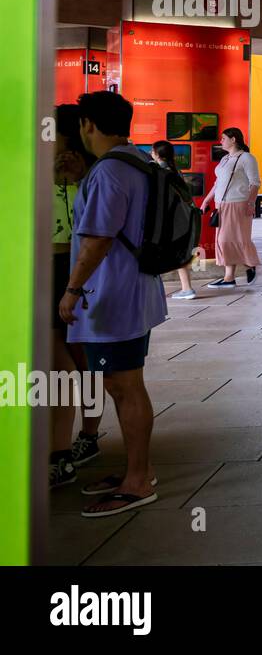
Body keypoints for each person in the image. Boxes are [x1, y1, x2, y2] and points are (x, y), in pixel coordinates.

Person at [60, 91, 166, 516]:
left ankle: (138, 480)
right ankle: (136, 470)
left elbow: (99, 240)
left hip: (111, 297)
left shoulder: (108, 172)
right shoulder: (137, 160)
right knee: (126, 384)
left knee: (124, 386)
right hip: (136, 292)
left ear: (87, 125)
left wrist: (71, 290)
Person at [49, 105, 104, 488]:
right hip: (68, 270)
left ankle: (65, 450)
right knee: (78, 361)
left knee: (69, 363)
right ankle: (81, 439)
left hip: (66, 270)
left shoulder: (85, 175)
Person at [199, 127, 261, 287]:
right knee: (223, 240)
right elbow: (218, 183)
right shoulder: (225, 159)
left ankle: (248, 265)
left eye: (223, 138)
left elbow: (255, 183)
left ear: (234, 140)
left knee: (230, 239)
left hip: (238, 204)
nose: (221, 141)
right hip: (222, 205)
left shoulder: (247, 158)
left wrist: (251, 202)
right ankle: (229, 277)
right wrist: (207, 200)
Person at [150, 141, 198, 300]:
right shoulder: (175, 169)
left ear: (157, 154)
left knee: (169, 253)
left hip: (171, 219)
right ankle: (186, 288)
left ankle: (186, 289)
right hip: (183, 216)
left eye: (152, 151)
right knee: (179, 253)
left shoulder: (160, 171)